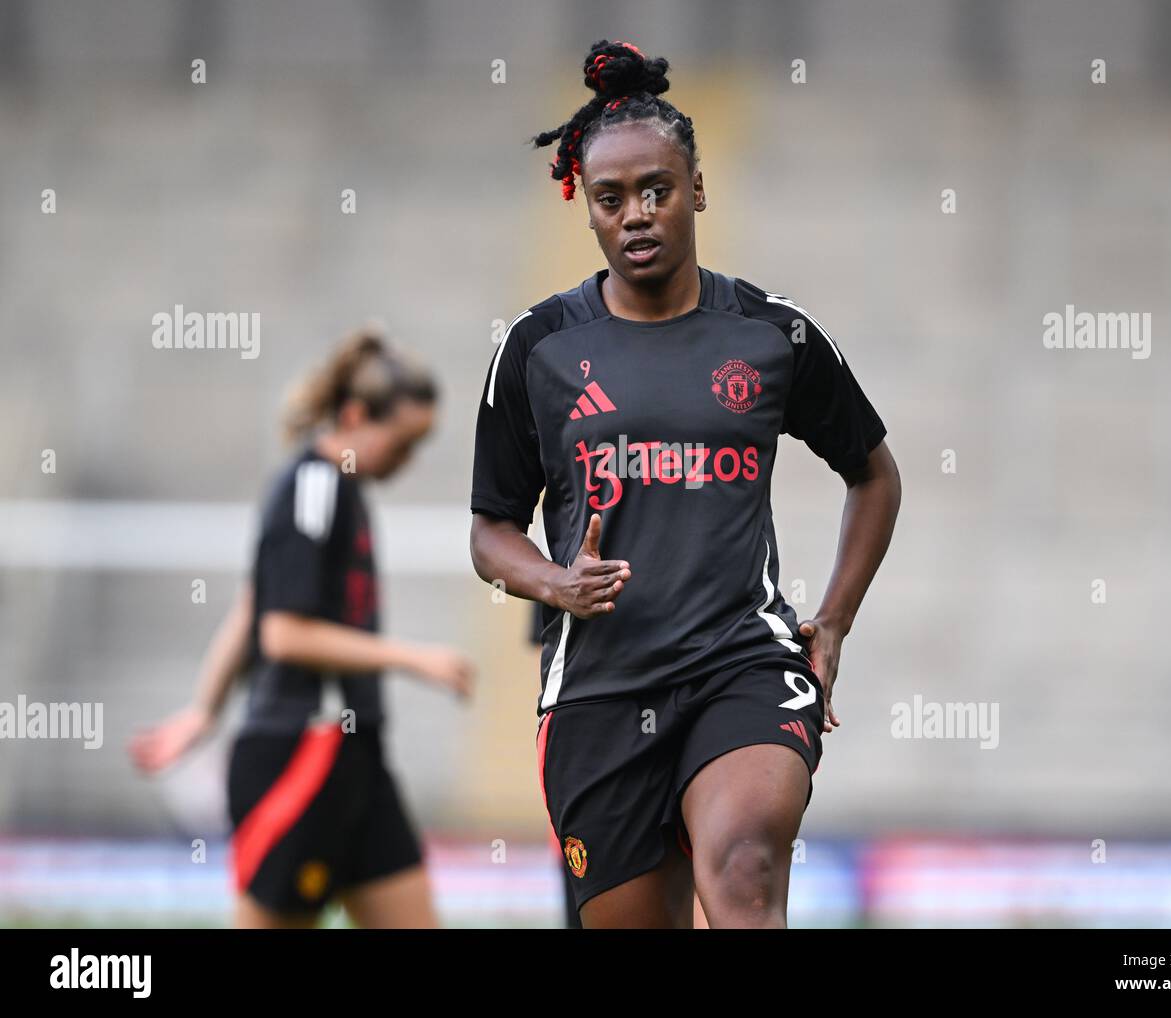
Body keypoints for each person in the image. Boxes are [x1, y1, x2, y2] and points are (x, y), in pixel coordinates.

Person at [469, 40, 901, 929]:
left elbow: (875, 473)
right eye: (611, 199)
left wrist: (835, 624)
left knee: (743, 865)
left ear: (696, 189)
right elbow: (489, 532)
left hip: (739, 664)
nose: (637, 215)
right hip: (598, 689)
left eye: (657, 190)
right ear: (584, 208)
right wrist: (556, 584)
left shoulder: (772, 334)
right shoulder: (537, 348)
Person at [131, 328, 474, 929]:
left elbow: (250, 610)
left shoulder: (341, 491)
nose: (406, 460)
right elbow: (282, 633)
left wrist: (203, 711)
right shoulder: (313, 488)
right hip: (299, 751)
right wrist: (414, 659)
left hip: (355, 752)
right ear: (354, 414)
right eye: (400, 442)